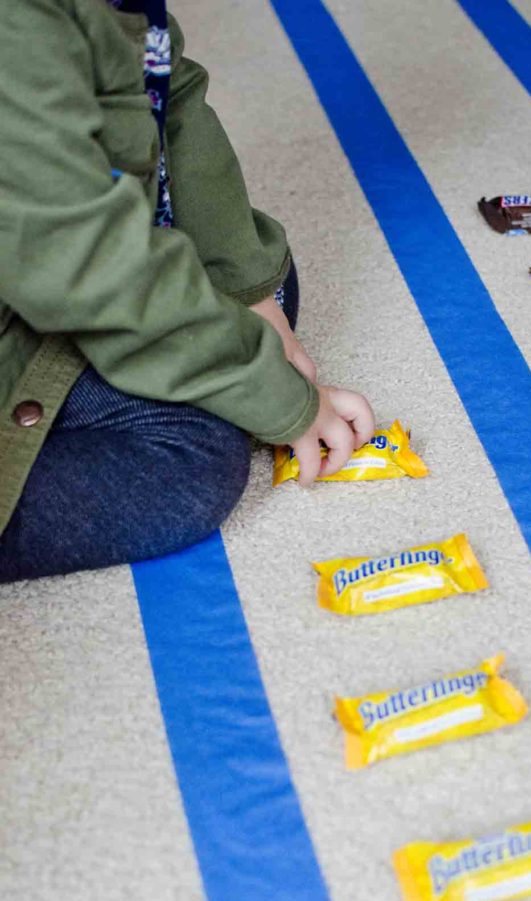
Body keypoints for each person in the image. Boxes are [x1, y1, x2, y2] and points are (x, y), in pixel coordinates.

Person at [0, 0, 374, 584]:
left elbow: (165, 93)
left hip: (53, 252)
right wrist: (273, 393)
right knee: (190, 465)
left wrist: (247, 293)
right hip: (58, 267)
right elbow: (81, 260)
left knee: (263, 274)